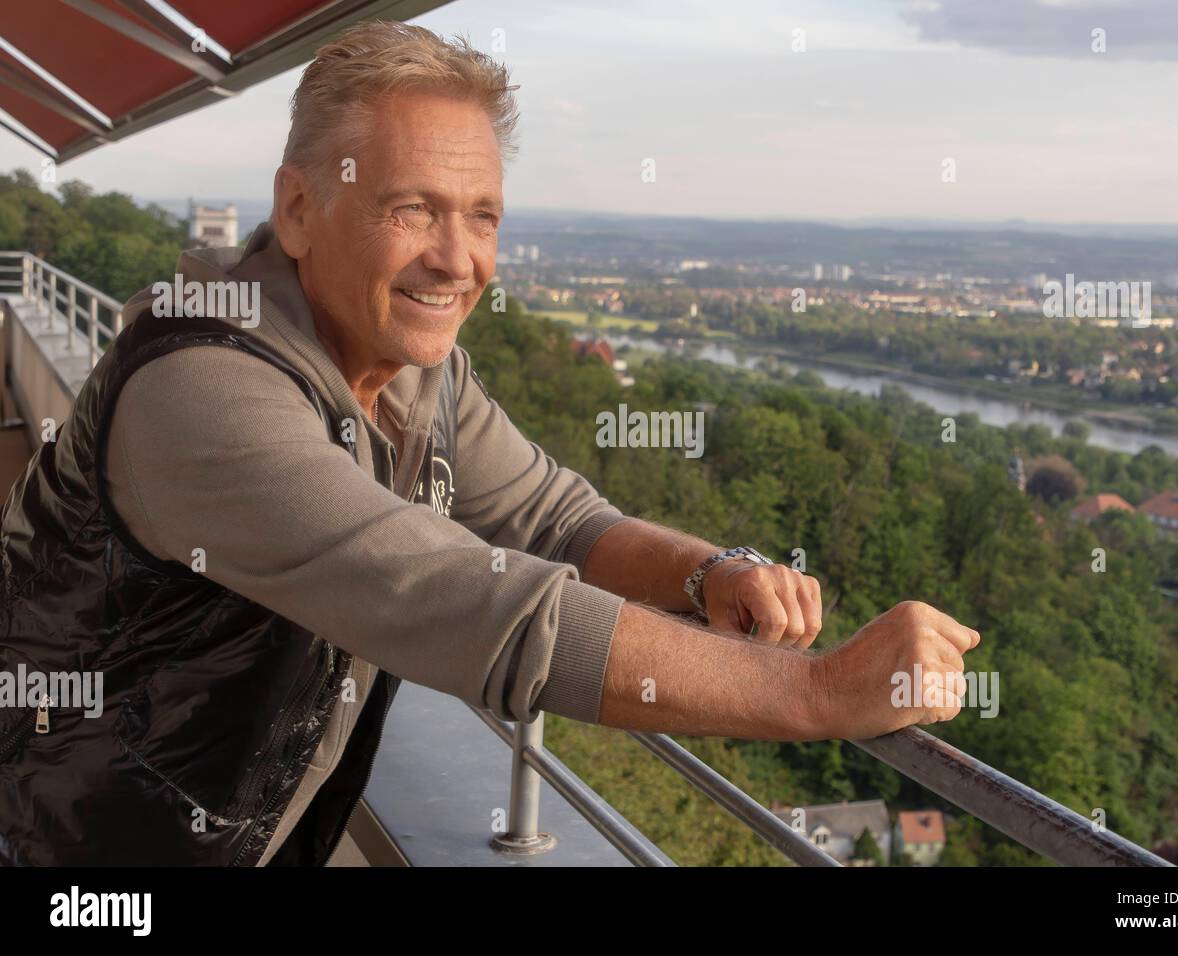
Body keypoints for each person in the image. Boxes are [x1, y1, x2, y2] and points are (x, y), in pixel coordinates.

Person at [0, 21, 976, 866]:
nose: (456, 258)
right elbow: (476, 604)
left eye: (482, 217)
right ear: (298, 210)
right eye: (412, 207)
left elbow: (550, 515)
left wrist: (705, 571)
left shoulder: (412, 367)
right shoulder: (200, 386)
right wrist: (815, 690)